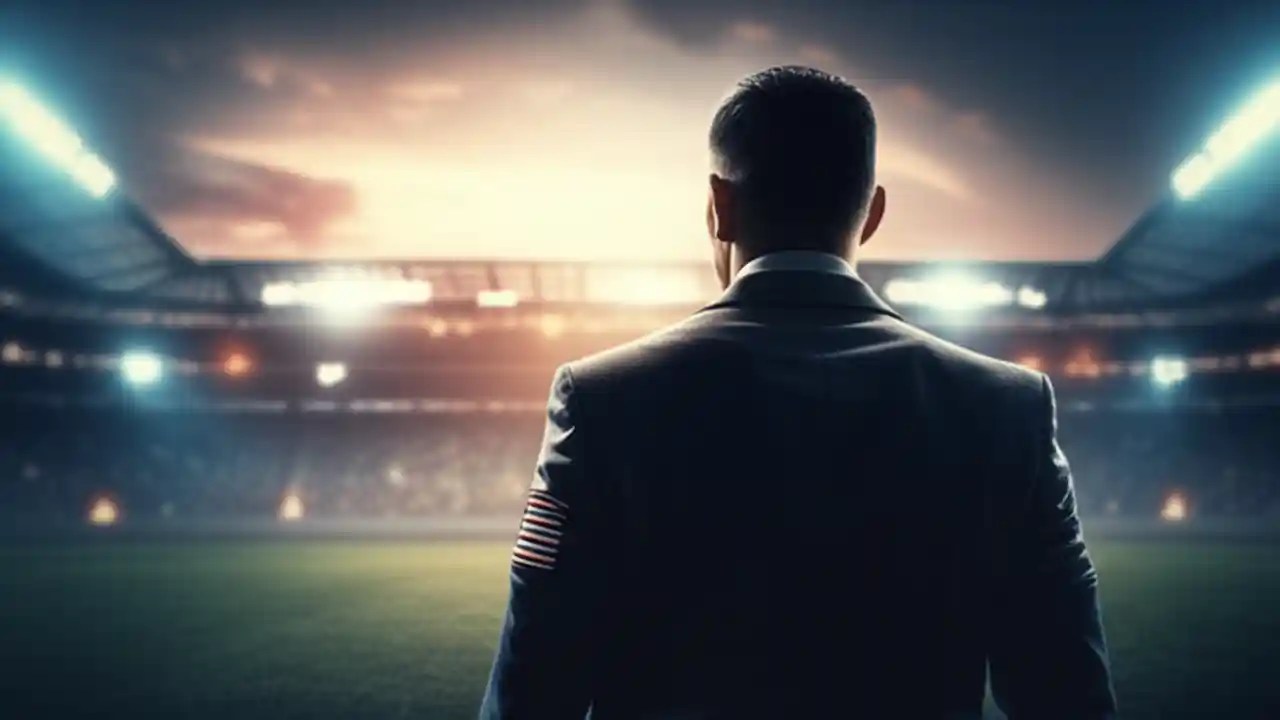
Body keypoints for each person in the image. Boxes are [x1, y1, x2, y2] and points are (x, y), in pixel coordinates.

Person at [480, 66, 1116, 719]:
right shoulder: (1007, 408)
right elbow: (1070, 699)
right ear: (872, 214)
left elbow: (532, 695)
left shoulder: (601, 399)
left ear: (719, 206)